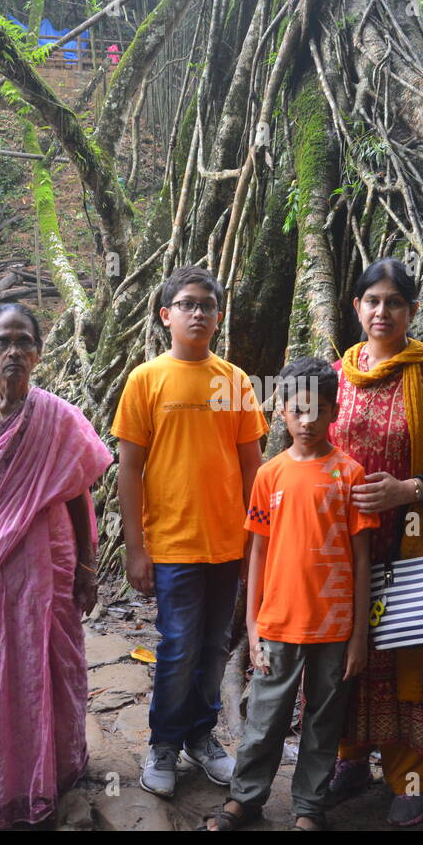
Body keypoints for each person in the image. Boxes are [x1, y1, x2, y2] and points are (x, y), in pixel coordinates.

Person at [0, 302, 112, 829]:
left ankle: (54, 768)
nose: (13, 352)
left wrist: (87, 567)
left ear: (38, 352)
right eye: (2, 342)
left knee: (52, 660)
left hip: (50, 562)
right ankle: (1, 776)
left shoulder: (56, 416)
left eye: (23, 342)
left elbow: (79, 495)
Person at [112, 266, 269, 798]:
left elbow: (254, 469)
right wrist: (136, 548)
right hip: (172, 543)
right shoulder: (146, 379)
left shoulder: (234, 381)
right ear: (166, 315)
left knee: (215, 647)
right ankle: (163, 743)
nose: (197, 312)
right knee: (178, 646)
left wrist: (256, 542)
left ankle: (202, 739)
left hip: (228, 542)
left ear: (219, 316)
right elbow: (128, 467)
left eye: (207, 304)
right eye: (186, 304)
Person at [203, 357, 378, 831]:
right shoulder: (269, 475)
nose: (307, 420)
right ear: (281, 411)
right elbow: (257, 553)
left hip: (335, 625)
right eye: (297, 410)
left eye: (318, 410)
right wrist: (255, 626)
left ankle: (308, 807)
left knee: (323, 723)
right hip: (279, 622)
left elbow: (361, 558)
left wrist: (358, 635)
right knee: (264, 719)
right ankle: (246, 798)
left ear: (334, 412)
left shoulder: (350, 475)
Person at [325, 257, 423, 827]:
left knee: (410, 651)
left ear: (411, 310)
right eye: (372, 301)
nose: (382, 311)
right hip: (345, 545)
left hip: (413, 541)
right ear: (357, 307)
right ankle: (348, 759)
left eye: (394, 302)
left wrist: (408, 490)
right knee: (346, 652)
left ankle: (411, 773)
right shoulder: (340, 373)